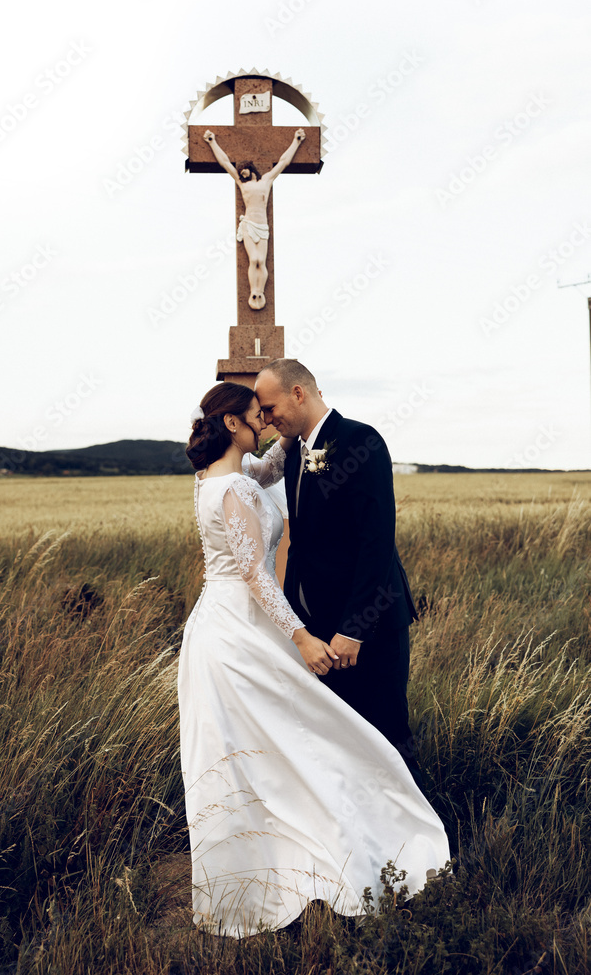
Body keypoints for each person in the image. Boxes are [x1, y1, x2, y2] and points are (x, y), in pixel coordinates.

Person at [177, 380, 449, 938]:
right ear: (234, 424)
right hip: (242, 630)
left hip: (222, 626)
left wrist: (299, 425)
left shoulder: (217, 478)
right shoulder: (235, 489)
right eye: (258, 415)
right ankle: (316, 844)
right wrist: (301, 636)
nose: (267, 423)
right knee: (297, 736)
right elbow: (256, 576)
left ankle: (256, 857)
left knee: (255, 746)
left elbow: (280, 464)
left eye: (272, 411)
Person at [254, 359, 422, 784]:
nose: (269, 420)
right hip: (319, 626)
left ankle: (423, 844)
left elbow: (376, 542)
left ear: (298, 393)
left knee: (387, 736)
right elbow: (306, 545)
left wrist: (354, 629)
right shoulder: (293, 453)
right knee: (340, 742)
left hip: (370, 624)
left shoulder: (360, 440)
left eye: (271, 408)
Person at [203, 128, 305, 309]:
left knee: (262, 261)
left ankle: (261, 291)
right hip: (249, 224)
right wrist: (212, 142)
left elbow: (283, 162)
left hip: (262, 225)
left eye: (244, 170)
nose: (241, 173)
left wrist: (296, 141)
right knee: (254, 260)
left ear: (251, 169)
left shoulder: (266, 181)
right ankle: (253, 291)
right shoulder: (242, 185)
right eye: (240, 171)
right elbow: (225, 162)